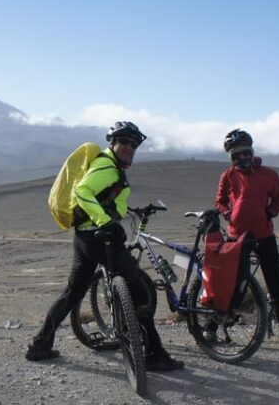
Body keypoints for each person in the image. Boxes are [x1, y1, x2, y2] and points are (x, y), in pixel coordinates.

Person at [26, 121, 184, 371]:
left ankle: (40, 345)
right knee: (140, 292)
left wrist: (115, 211)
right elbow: (83, 191)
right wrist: (104, 221)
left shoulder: (112, 168)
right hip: (101, 240)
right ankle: (154, 355)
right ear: (113, 143)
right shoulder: (106, 167)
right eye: (124, 142)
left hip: (84, 239)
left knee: (72, 293)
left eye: (133, 144)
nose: (129, 148)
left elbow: (109, 201)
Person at [214, 128, 279, 348]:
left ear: (252, 152)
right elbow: (220, 200)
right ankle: (214, 324)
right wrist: (226, 214)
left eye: (245, 153)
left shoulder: (269, 175)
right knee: (230, 281)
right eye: (235, 155)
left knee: (275, 282)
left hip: (264, 235)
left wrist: (270, 212)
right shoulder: (228, 176)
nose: (241, 158)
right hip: (237, 236)